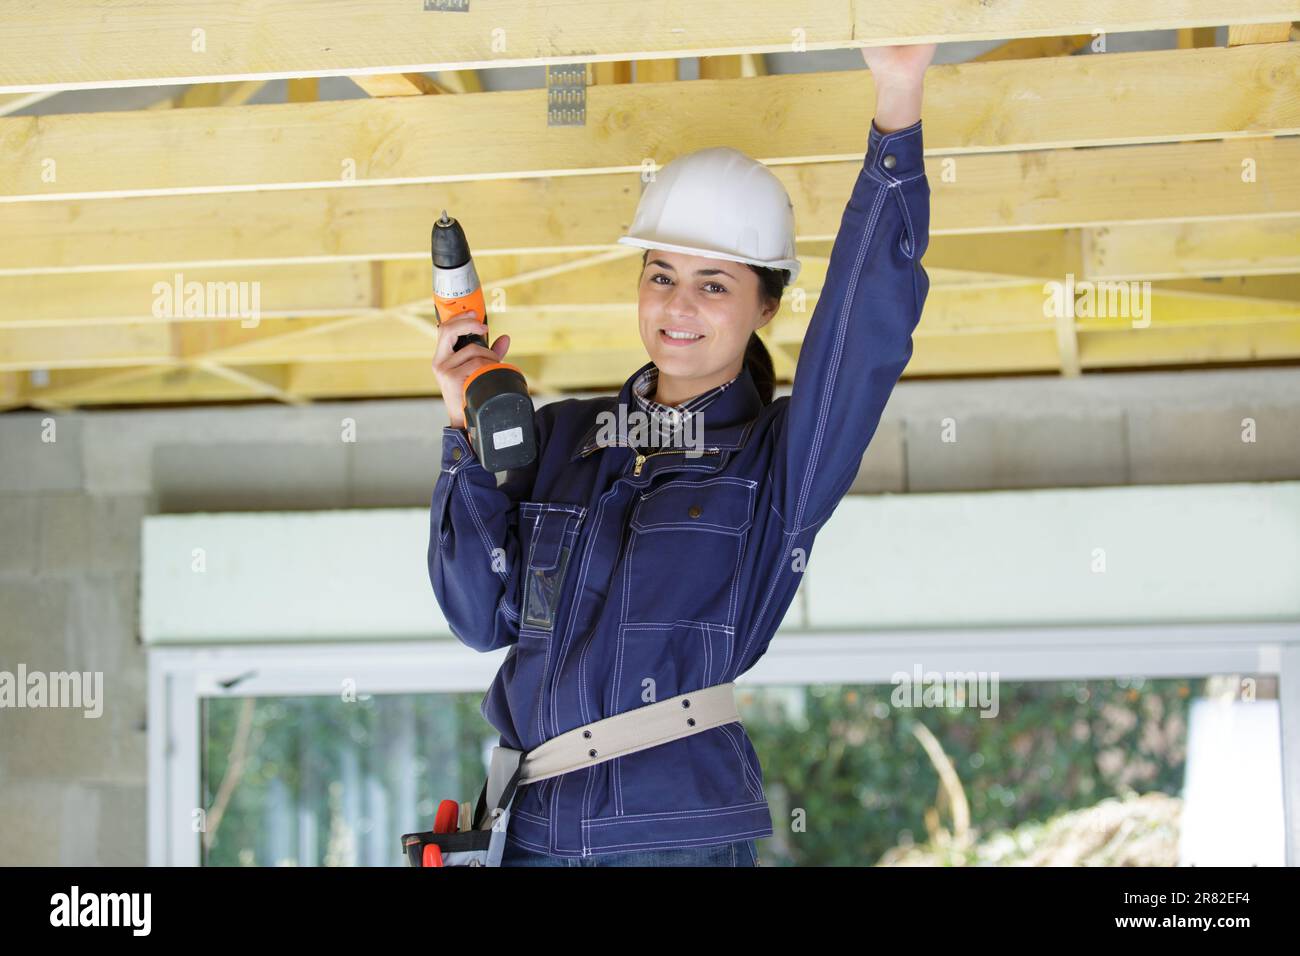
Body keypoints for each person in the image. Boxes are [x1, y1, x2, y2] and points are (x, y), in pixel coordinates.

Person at [428, 42, 935, 866]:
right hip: (525, 827)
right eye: (661, 275)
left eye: (714, 283)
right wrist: (466, 435)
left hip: (668, 834)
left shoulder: (777, 462)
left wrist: (898, 97)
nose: (678, 307)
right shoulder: (562, 437)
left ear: (766, 306)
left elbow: (864, 328)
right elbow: (475, 616)